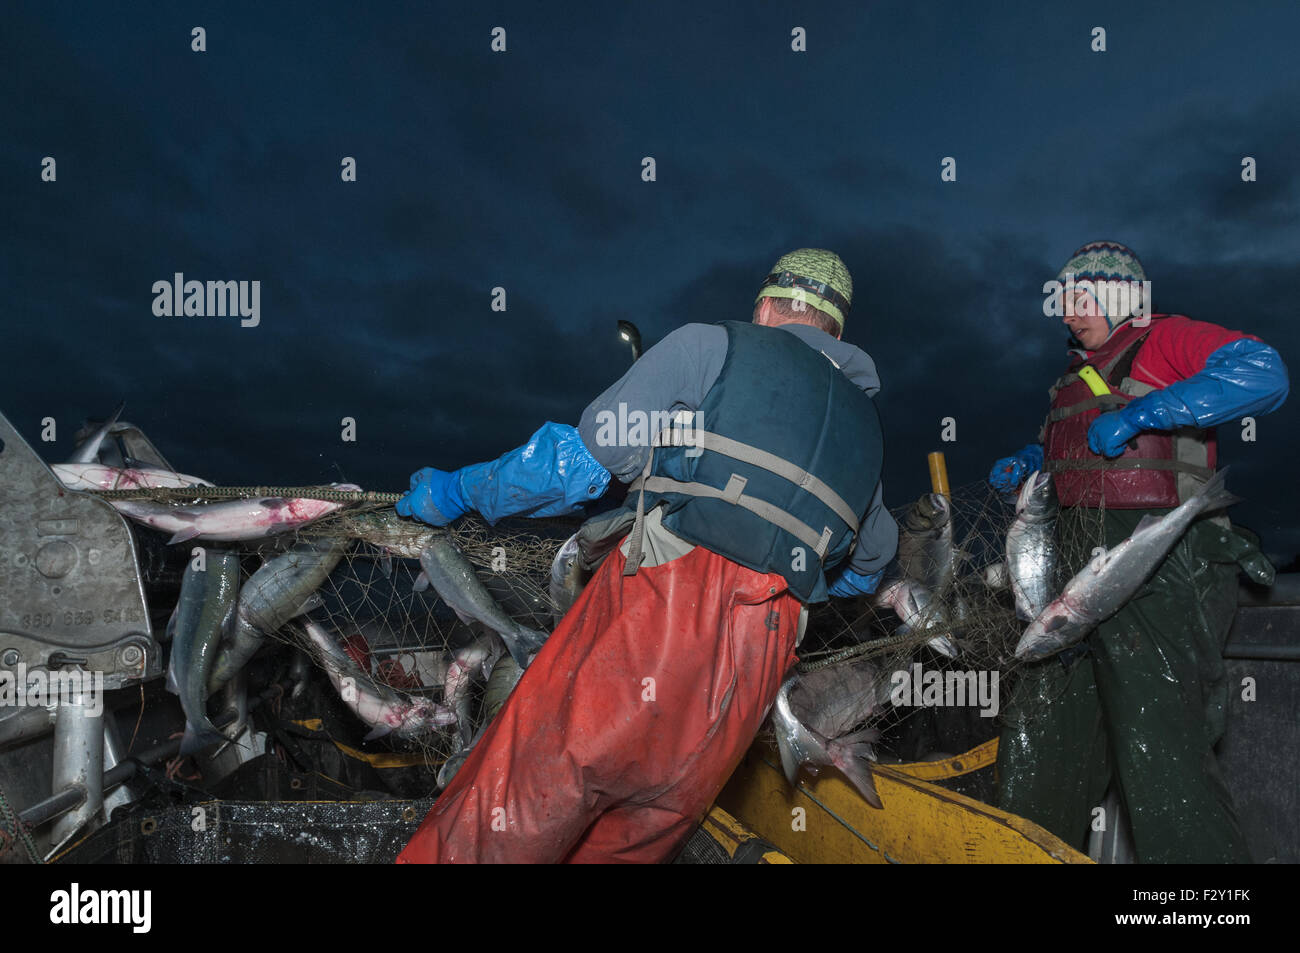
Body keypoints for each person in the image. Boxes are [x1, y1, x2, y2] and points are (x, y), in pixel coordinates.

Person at [395, 248, 897, 863]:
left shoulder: (712, 347)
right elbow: (869, 564)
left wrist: (455, 492)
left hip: (648, 631)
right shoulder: (867, 432)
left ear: (766, 305)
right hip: (744, 684)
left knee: (497, 826)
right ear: (838, 332)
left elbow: (573, 465)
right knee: (628, 845)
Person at [990, 240, 1288, 863]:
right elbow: (1083, 456)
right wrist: (1035, 457)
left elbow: (1264, 372)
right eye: (1062, 303)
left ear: (1121, 294)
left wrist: (1153, 409)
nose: (1067, 315)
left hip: (1159, 567)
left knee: (1159, 742)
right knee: (1042, 736)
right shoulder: (1069, 380)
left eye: (1079, 299)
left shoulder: (1165, 339)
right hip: (1072, 569)